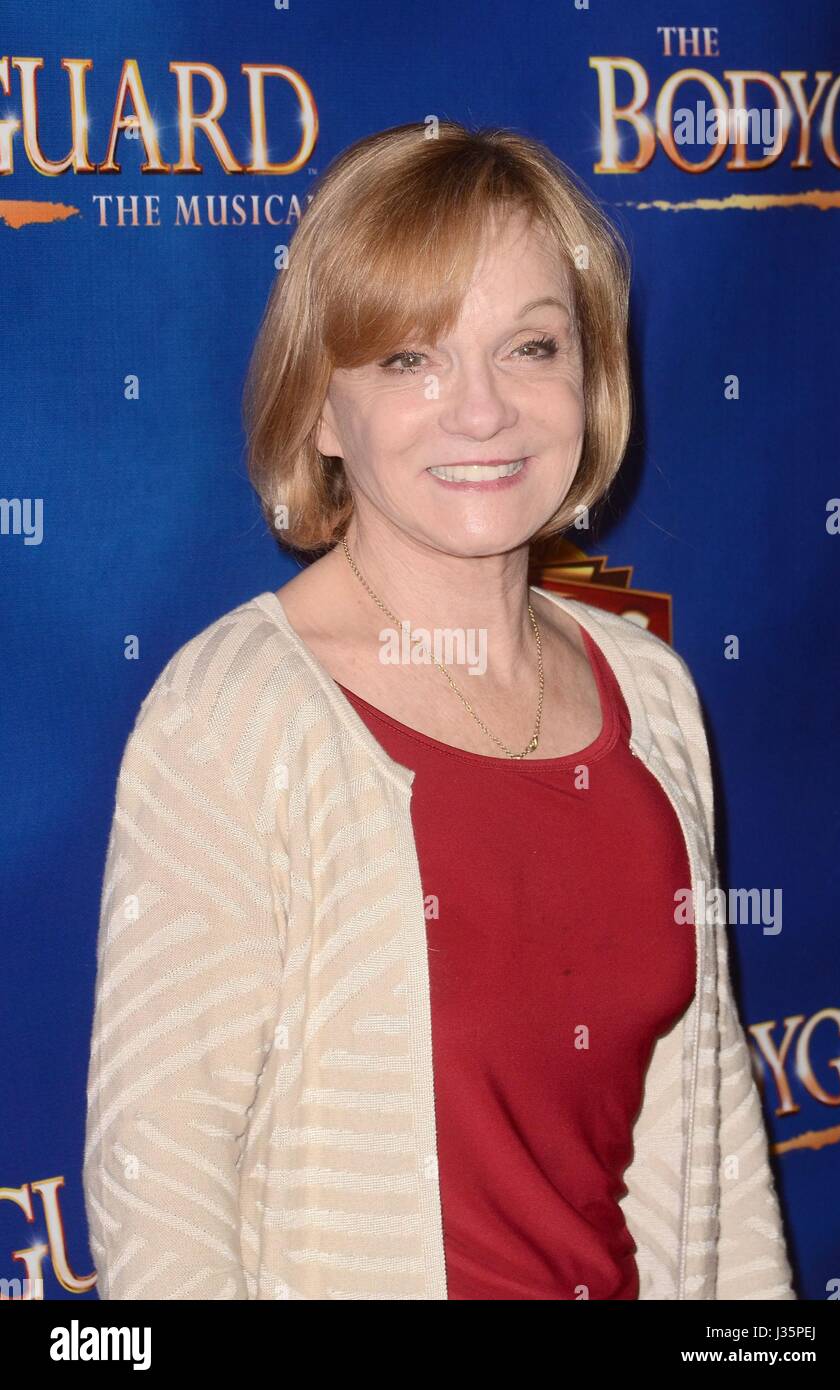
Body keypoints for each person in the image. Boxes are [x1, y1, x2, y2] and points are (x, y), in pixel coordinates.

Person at [82, 120, 795, 1300]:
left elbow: (708, 1127)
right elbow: (160, 1198)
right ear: (320, 413)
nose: (481, 411)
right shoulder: (236, 714)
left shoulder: (650, 690)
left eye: (527, 346)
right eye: (409, 359)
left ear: (589, 379)